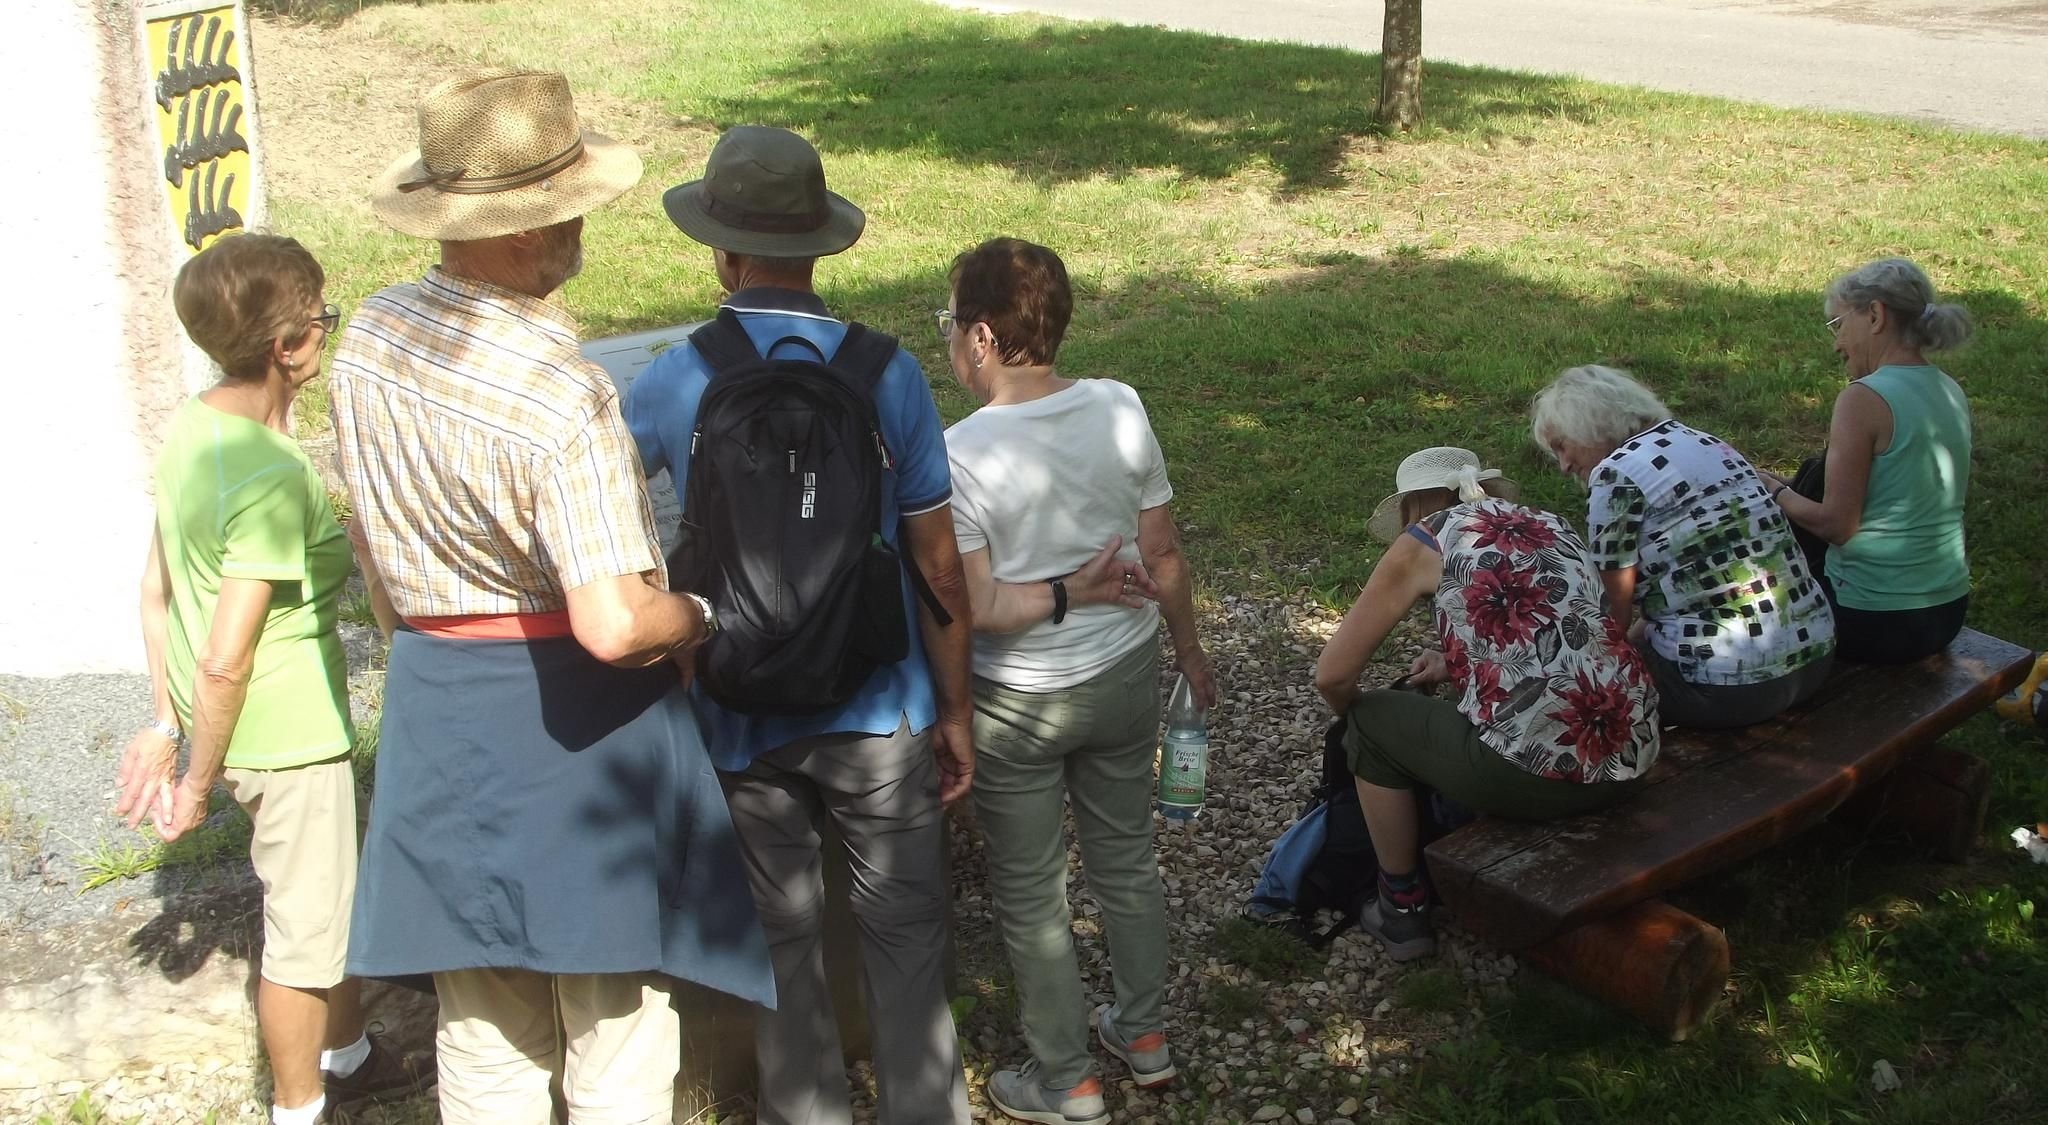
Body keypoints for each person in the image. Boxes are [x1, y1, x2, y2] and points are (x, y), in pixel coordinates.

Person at [330, 70, 772, 1124]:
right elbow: (613, 622)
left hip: (438, 696)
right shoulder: (558, 390)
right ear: (529, 228)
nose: (582, 224)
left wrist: (423, 641)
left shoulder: (370, 337)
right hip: (575, 721)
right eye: (571, 206)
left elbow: (368, 543)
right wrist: (698, 615)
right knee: (614, 1028)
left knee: (481, 1024)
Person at [626, 126, 975, 1125]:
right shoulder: (888, 373)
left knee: (780, 941)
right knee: (905, 932)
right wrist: (954, 708)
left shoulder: (672, 377)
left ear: (722, 252)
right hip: (878, 703)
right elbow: (937, 562)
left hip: (738, 705)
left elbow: (606, 527)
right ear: (818, 247)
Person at [113, 234, 424, 1125]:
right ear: (286, 346)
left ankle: (349, 1053)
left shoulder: (195, 427)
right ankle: (299, 1106)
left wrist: (165, 721)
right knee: (303, 942)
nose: (327, 330)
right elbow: (227, 653)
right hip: (287, 740)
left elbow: (156, 588)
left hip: (241, 731)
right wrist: (193, 778)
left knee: (325, 900)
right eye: (322, 318)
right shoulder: (270, 476)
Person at [937, 238, 1215, 1125]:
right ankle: (1145, 1034)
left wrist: (1061, 592)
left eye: (950, 323)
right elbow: (1163, 554)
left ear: (983, 336)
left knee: (1032, 892)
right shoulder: (1119, 406)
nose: (949, 340)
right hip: (1125, 673)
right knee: (1126, 858)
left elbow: (980, 605)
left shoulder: (958, 452)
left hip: (1018, 701)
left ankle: (1066, 1080)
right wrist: (1189, 651)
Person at [1313, 448, 1658, 961]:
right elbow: (1567, 637)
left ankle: (1401, 906)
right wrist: (1455, 663)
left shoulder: (1423, 542)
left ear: (1412, 506)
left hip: (1550, 778)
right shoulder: (1547, 524)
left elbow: (1333, 675)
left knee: (1370, 720)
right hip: (1633, 753)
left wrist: (1361, 731)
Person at [1530, 365, 1835, 728]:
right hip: (1815, 658)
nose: (1564, 466)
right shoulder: (1706, 443)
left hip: (1728, 688)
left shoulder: (1615, 475)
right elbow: (1686, 591)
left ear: (1588, 424)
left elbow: (1613, 615)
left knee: (1563, 687)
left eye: (1562, 446)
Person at [1759, 258, 1974, 665]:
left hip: (1873, 618)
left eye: (1838, 324)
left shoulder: (1863, 398)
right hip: (1947, 611)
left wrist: (1773, 490)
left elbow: (1838, 526)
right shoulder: (1949, 390)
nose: (1836, 343)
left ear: (1875, 315)